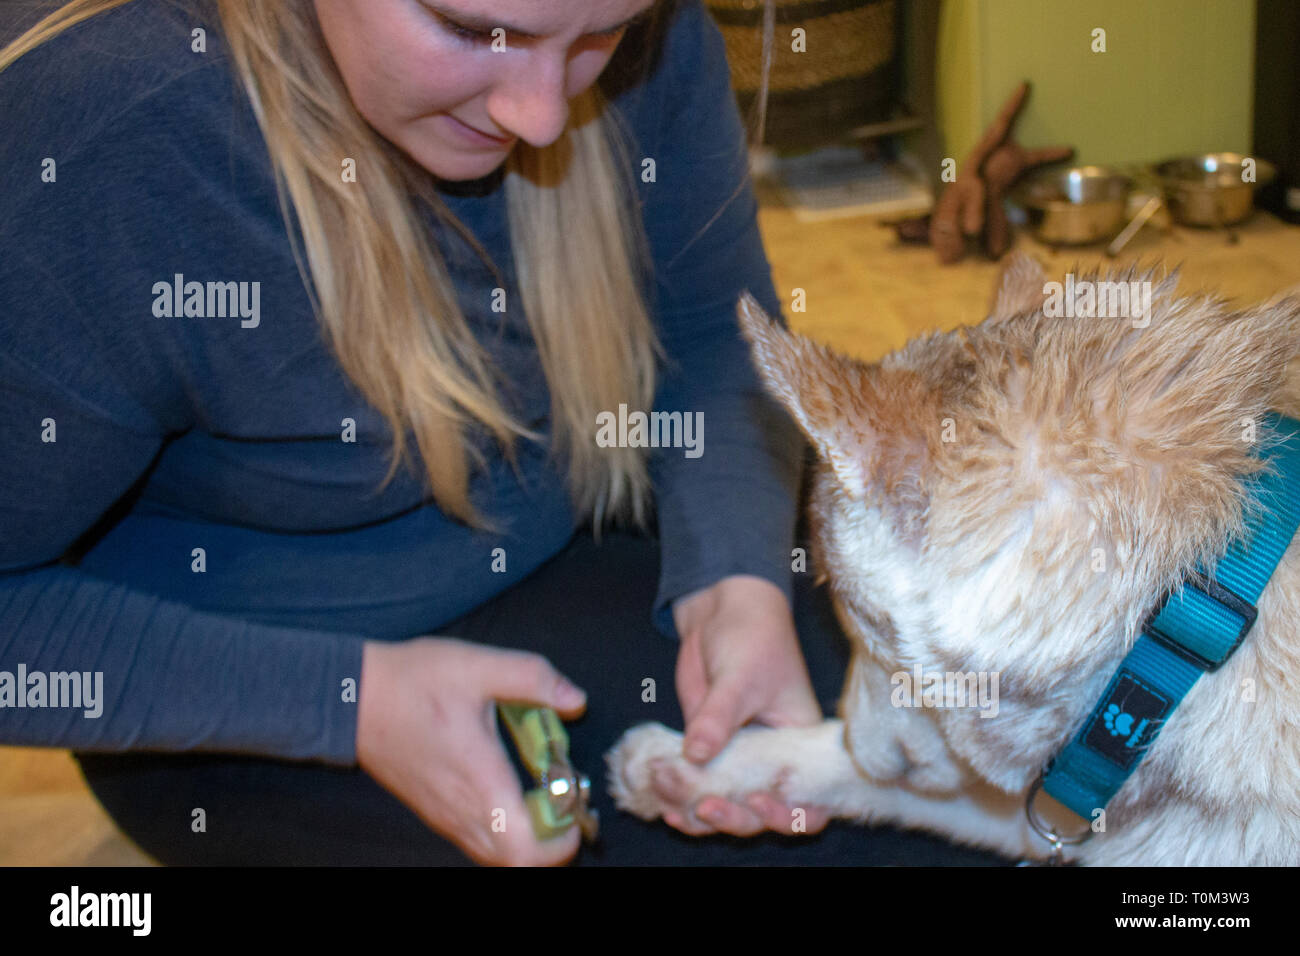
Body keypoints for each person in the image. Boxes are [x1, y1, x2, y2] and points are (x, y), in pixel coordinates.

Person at [0, 0, 1012, 865]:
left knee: (980, 717)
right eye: (473, 27)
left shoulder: (643, 34)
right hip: (252, 679)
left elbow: (713, 333)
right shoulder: (116, 131)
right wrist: (350, 703)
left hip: (563, 518)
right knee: (894, 833)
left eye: (600, 36)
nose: (539, 113)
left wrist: (735, 576)